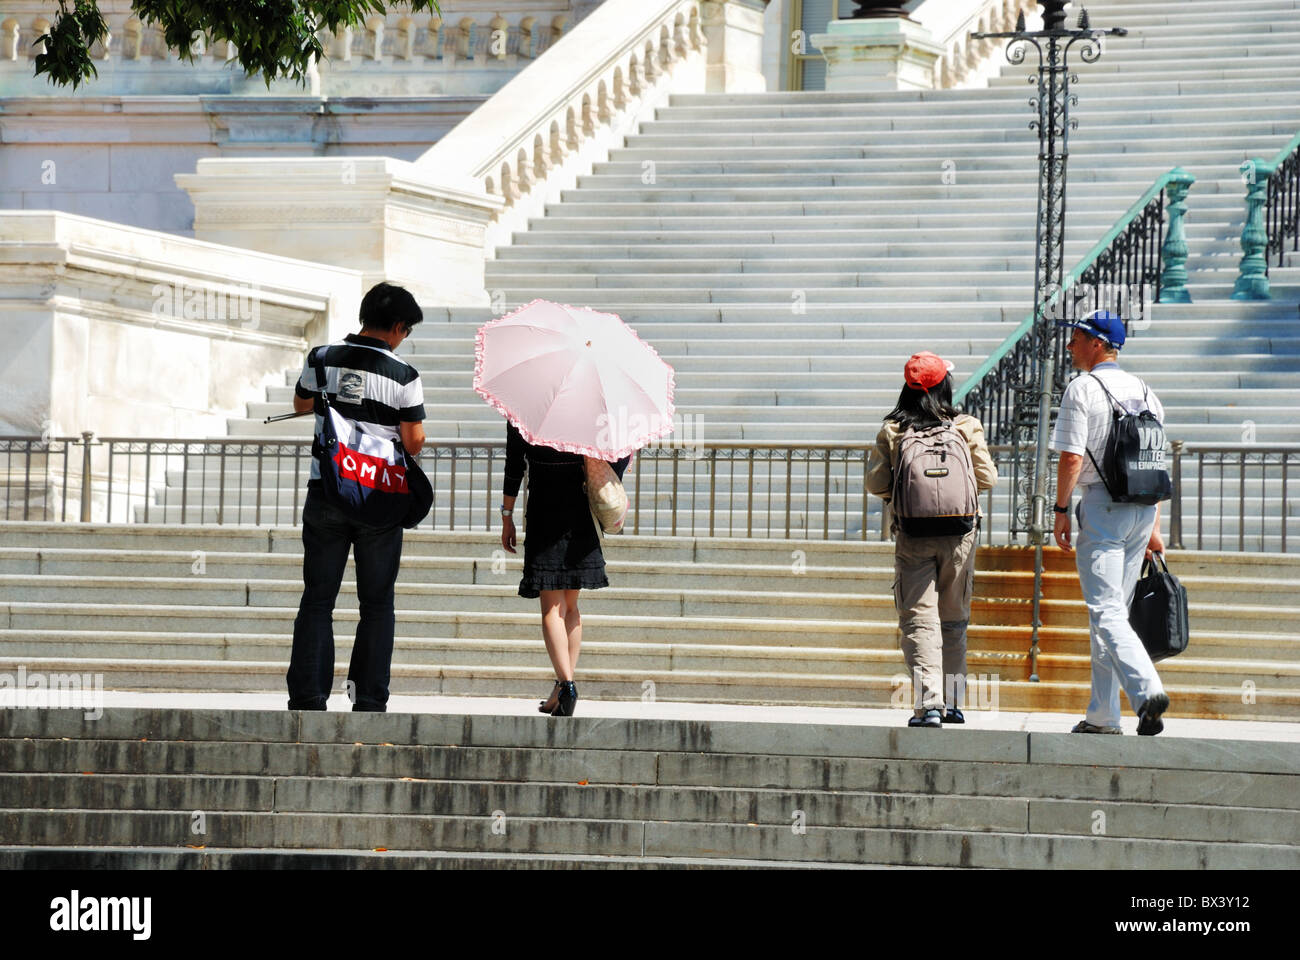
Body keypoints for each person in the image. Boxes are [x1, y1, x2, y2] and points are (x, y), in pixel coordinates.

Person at [285, 282, 426, 712]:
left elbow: (301, 403)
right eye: (407, 331)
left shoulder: (322, 358)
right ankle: (368, 697)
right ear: (398, 327)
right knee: (377, 602)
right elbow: (414, 441)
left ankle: (308, 696)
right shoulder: (405, 377)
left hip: (326, 492)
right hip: (379, 500)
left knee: (317, 598)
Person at [1050, 308, 1170, 736]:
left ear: (1097, 343)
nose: (1069, 346)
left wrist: (1061, 510)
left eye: (1077, 338)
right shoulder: (1145, 390)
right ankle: (1103, 715)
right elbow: (1155, 460)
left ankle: (1147, 691)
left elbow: (1070, 457)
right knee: (1110, 613)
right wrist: (1154, 525)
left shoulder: (1082, 388)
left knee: (1104, 610)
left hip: (1102, 507)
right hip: (1141, 508)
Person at [866, 352, 998, 728]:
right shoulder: (966, 425)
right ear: (944, 385)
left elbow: (876, 483)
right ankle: (955, 702)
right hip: (960, 535)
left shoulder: (894, 429)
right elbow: (987, 478)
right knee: (953, 619)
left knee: (920, 620)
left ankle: (929, 706)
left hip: (913, 535)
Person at [500, 421, 630, 717]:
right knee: (570, 608)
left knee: (551, 609)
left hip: (545, 511)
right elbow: (616, 458)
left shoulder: (524, 408)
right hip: (581, 510)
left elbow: (514, 466)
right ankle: (561, 690)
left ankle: (567, 686)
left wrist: (507, 515)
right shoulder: (589, 407)